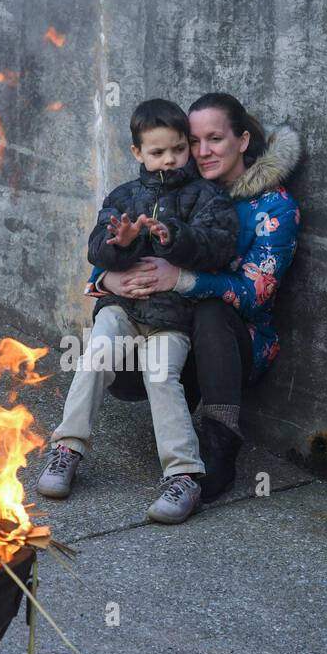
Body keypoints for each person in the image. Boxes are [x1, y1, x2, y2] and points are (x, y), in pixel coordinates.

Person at [91, 93, 302, 500]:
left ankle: (220, 443)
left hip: (236, 343)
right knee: (115, 327)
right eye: (194, 141)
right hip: (168, 328)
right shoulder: (180, 188)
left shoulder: (274, 207)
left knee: (209, 309)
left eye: (215, 139)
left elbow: (255, 295)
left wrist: (181, 279)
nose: (202, 152)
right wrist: (107, 282)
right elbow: (124, 243)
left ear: (241, 141)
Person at [38, 98, 239, 523]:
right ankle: (67, 448)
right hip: (123, 308)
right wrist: (123, 243)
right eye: (158, 152)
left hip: (173, 317)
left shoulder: (207, 196)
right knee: (96, 355)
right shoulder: (123, 196)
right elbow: (96, 249)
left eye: (178, 150)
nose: (170, 159)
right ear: (138, 153)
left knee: (162, 375)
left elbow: (218, 247)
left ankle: (183, 475)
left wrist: (173, 236)